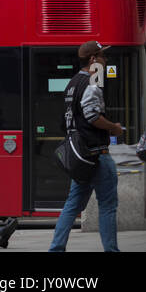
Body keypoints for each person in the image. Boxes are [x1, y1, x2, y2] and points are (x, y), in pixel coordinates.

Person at [50, 40, 122, 252]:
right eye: (102, 56)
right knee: (108, 206)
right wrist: (114, 128)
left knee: (72, 206)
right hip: (97, 155)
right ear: (93, 60)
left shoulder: (71, 84)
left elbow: (65, 123)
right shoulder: (92, 82)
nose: (105, 60)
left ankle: (56, 249)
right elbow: (92, 116)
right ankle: (111, 250)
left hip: (81, 158)